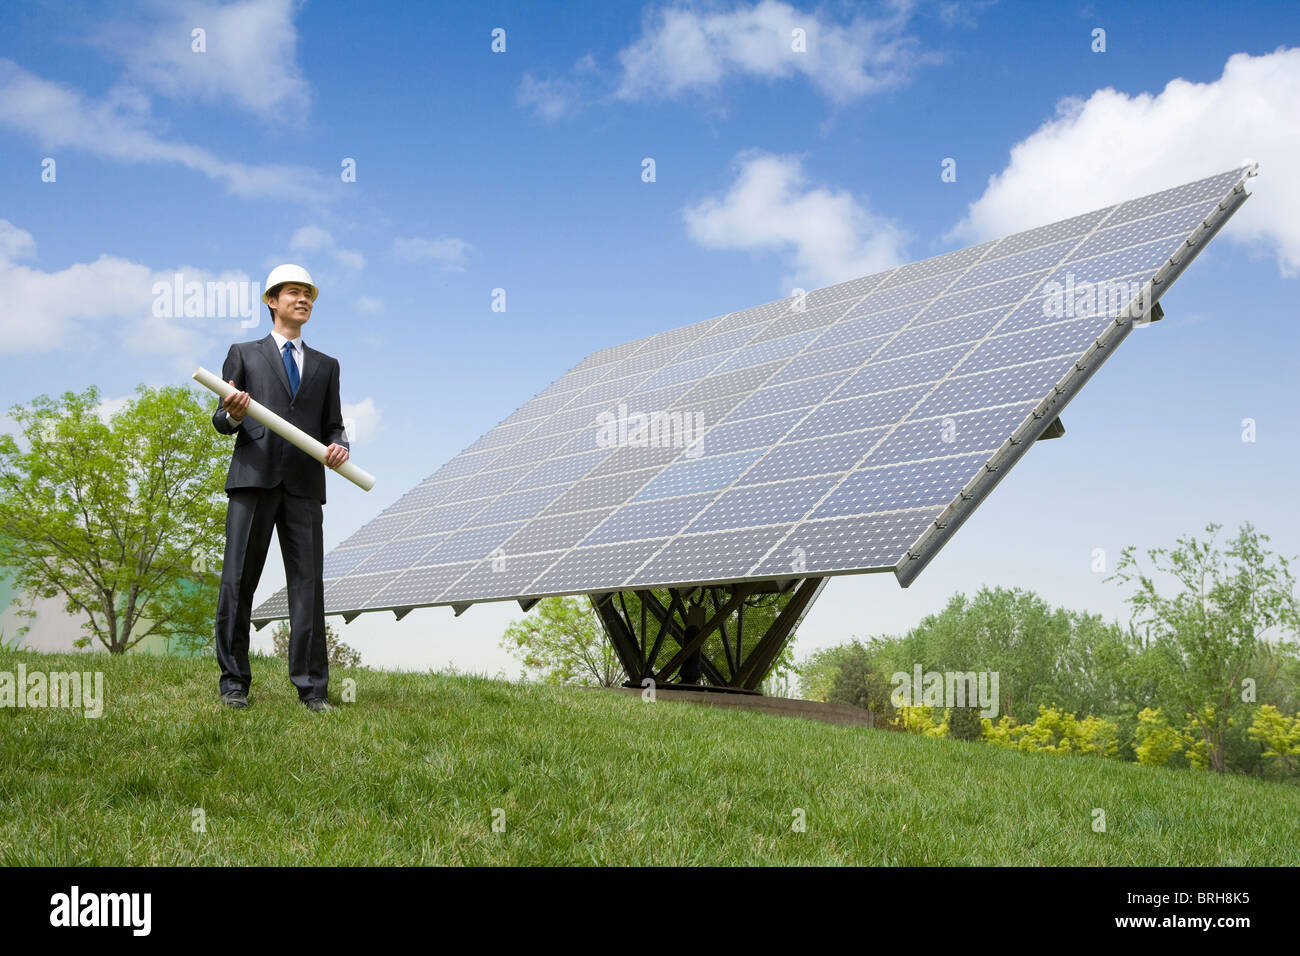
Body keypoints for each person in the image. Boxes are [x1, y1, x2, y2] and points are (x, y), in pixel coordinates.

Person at [211, 264, 350, 713]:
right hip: (254, 480)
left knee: (308, 587)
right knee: (238, 580)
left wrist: (338, 446)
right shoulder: (244, 354)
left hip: (306, 486)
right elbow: (220, 421)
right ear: (272, 300)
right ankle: (234, 683)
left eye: (308, 294)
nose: (303, 299)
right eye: (294, 292)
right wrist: (233, 413)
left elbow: (334, 425)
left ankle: (313, 690)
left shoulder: (327, 366)